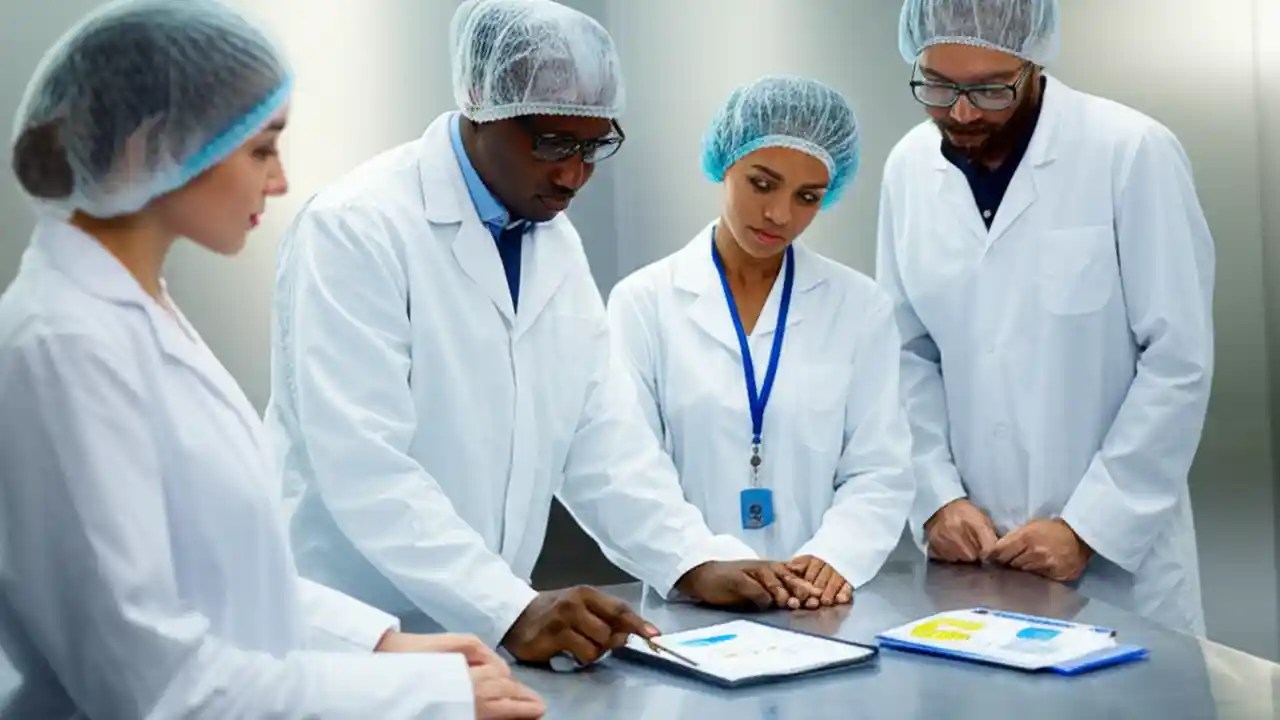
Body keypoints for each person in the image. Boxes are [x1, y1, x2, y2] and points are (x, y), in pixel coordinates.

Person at [0, 2, 545, 718]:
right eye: (261, 148)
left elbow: (225, 580)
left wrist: (375, 642)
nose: (280, 180)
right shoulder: (63, 350)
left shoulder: (135, 313)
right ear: (148, 146)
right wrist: (425, 694)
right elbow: (156, 687)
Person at [267, 0, 817, 670]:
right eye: (553, 143)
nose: (573, 174)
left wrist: (690, 558)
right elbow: (362, 465)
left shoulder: (550, 242)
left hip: (485, 640)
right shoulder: (356, 228)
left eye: (593, 146)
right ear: (480, 104)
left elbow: (597, 434)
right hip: (353, 636)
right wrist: (510, 605)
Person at [876, 0, 1214, 634]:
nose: (962, 112)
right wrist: (935, 497)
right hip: (972, 558)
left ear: (1033, 65)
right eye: (938, 85)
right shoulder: (909, 168)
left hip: (1120, 567)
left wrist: (1088, 526)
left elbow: (1178, 361)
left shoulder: (1130, 151)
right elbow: (905, 352)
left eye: (987, 90)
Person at [607, 76, 915, 609]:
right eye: (762, 183)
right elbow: (626, 467)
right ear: (725, 162)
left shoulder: (859, 308)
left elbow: (879, 467)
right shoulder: (644, 302)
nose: (779, 214)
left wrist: (834, 558)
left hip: (819, 606)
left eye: (808, 197)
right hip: (691, 603)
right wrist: (699, 563)